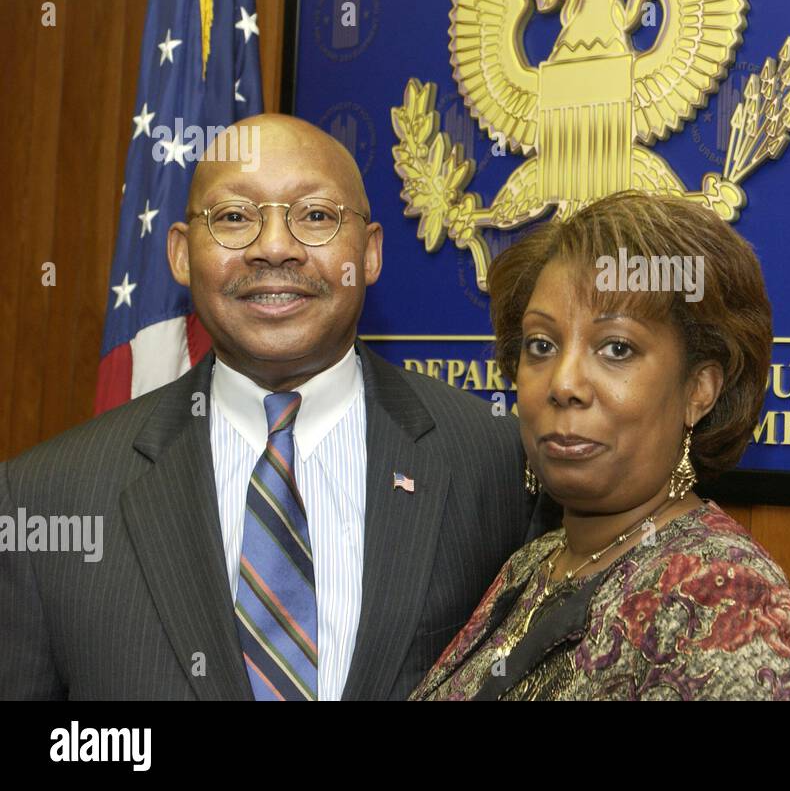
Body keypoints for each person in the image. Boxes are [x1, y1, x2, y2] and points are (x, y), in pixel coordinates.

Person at [0, 114, 549, 700]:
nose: (275, 248)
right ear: (182, 255)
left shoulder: (500, 466)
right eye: (235, 217)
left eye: (315, 215)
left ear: (369, 252)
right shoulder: (46, 498)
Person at [411, 190, 790, 700]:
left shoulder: (725, 599)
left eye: (616, 348)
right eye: (541, 345)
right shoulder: (536, 564)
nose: (563, 383)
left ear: (698, 390)